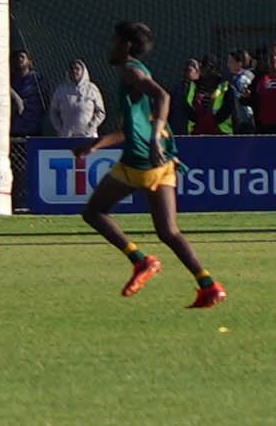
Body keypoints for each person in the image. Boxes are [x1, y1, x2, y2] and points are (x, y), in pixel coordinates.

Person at [78, 17, 223, 308]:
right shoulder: (138, 70)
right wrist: (98, 144)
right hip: (163, 161)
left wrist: (155, 136)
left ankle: (140, 260)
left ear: (126, 46)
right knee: (169, 231)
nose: (108, 47)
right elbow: (136, 126)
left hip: (141, 161)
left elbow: (163, 96)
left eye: (112, 42)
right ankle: (208, 284)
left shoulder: (129, 70)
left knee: (94, 212)